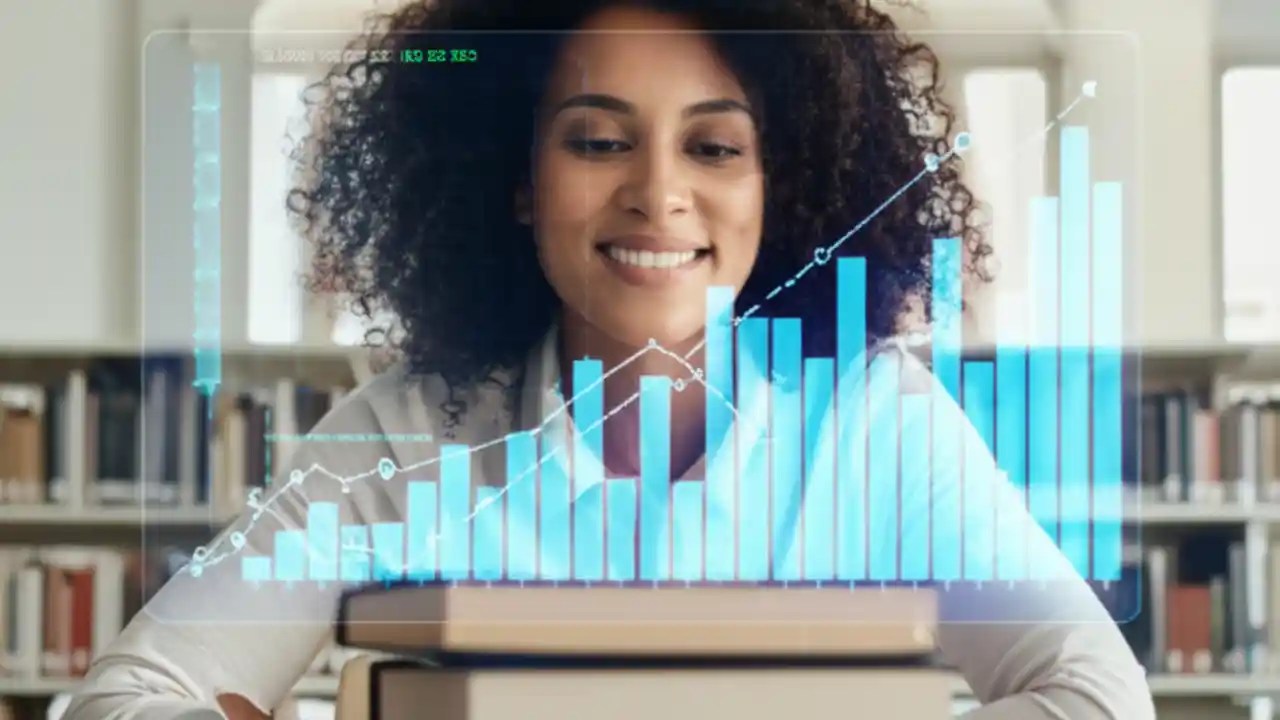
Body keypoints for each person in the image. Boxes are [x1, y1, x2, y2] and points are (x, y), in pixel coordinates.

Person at [65, 0, 1156, 718]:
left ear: (778, 192)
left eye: (714, 147)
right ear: (517, 181)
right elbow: (127, 695)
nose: (658, 191)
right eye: (597, 140)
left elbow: (1096, 695)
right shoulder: (406, 434)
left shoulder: (874, 420)